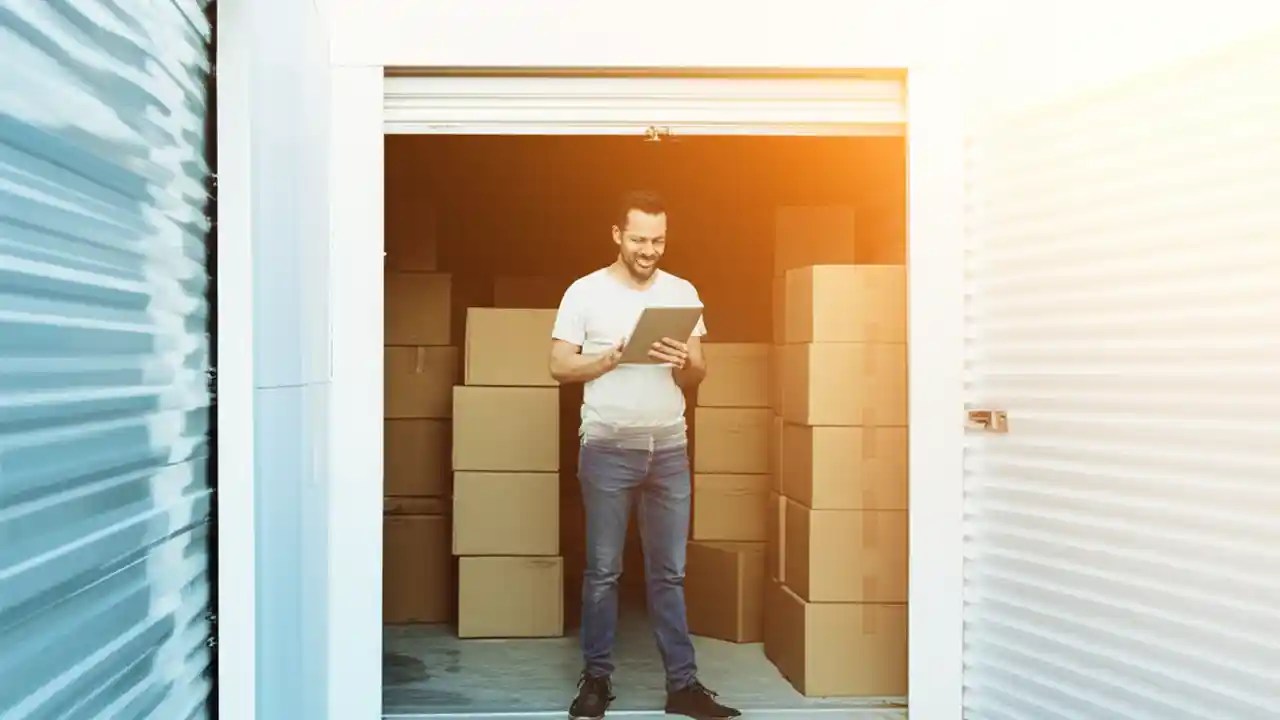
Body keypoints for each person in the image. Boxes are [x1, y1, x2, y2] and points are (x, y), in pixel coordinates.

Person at [549, 190, 741, 720]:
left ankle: (683, 687)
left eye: (657, 240)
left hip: (669, 451)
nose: (648, 249)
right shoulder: (584, 293)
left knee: (670, 574)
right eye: (638, 239)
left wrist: (685, 361)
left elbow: (698, 372)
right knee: (604, 572)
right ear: (617, 235)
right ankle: (596, 681)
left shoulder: (682, 292)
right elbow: (560, 366)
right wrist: (607, 360)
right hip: (608, 449)